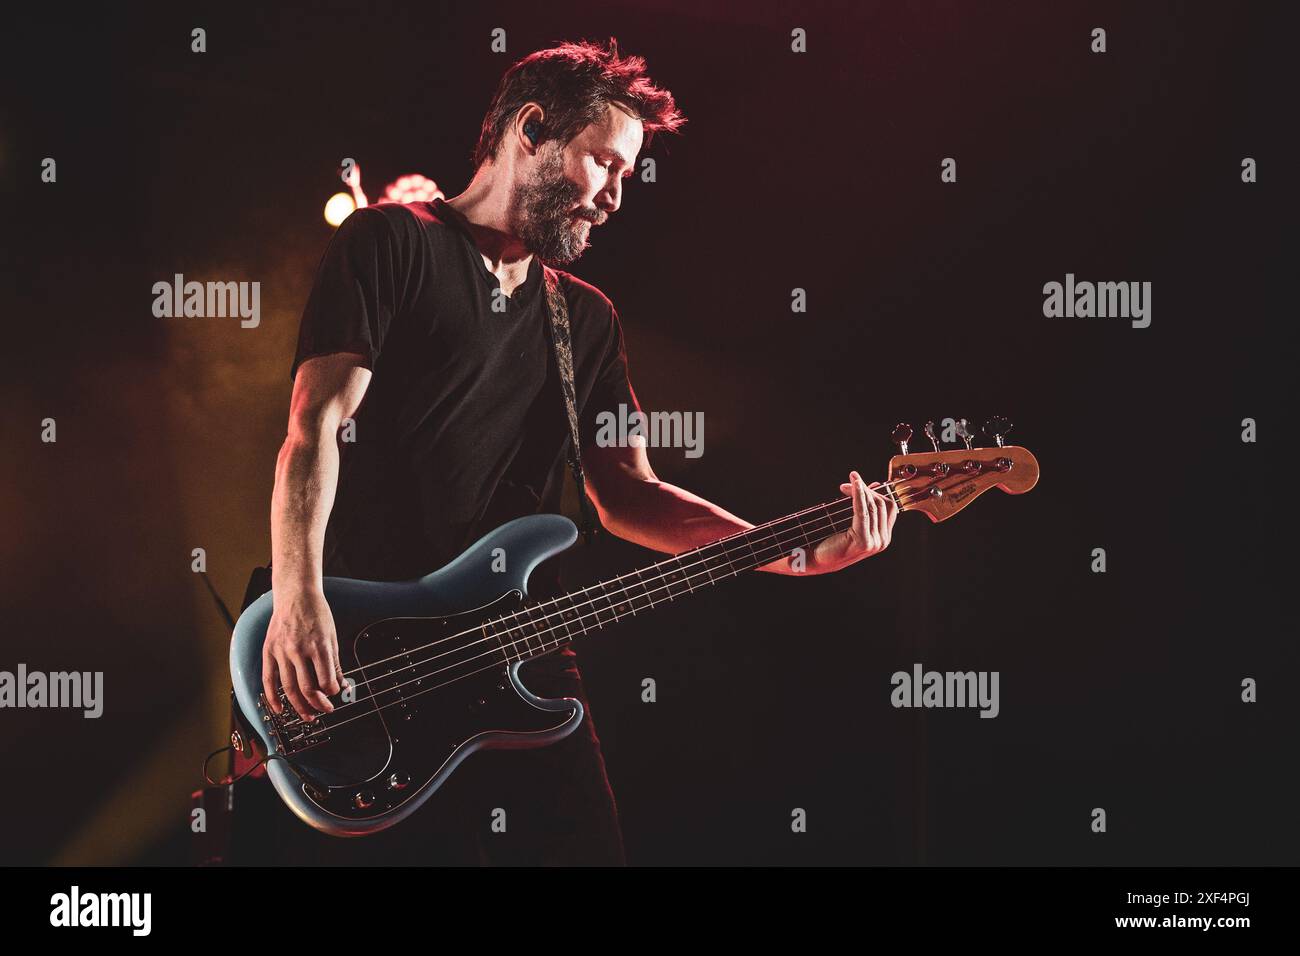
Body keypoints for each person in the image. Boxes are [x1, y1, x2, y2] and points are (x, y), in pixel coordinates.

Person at [262, 38, 898, 866]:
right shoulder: (390, 244)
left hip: (518, 654)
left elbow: (630, 494)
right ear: (530, 130)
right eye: (605, 164)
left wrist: (793, 555)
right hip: (366, 651)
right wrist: (296, 593)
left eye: (628, 176)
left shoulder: (586, 321)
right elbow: (315, 426)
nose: (614, 199)